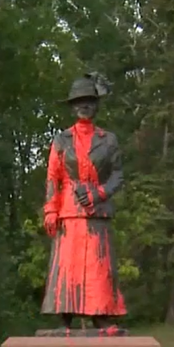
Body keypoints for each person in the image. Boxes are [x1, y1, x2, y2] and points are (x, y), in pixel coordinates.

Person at [40, 73, 127, 333]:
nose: (84, 106)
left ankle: (101, 315)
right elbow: (53, 177)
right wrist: (50, 210)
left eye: (88, 100)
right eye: (78, 102)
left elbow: (118, 175)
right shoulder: (61, 140)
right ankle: (64, 317)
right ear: (72, 106)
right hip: (69, 210)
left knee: (99, 265)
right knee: (67, 265)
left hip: (97, 210)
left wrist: (99, 194)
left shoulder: (108, 140)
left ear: (96, 104)